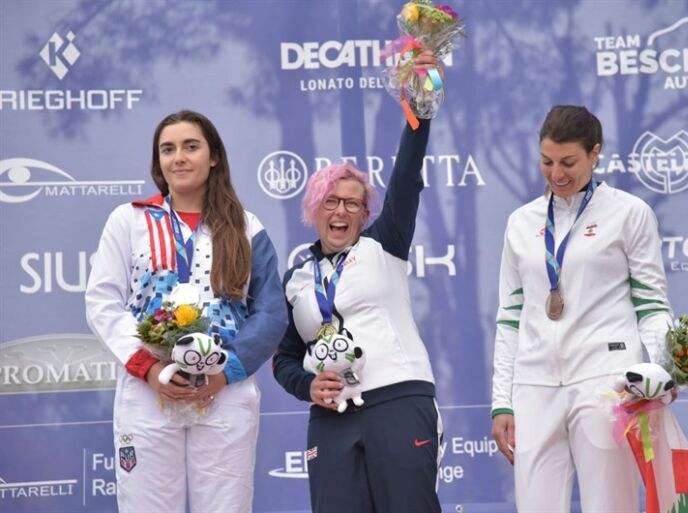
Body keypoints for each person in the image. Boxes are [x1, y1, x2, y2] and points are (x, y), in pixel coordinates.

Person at [85, 110, 287, 513]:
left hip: (225, 390)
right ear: (157, 161)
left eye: (190, 147)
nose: (178, 157)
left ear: (213, 156)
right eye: (168, 149)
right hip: (149, 388)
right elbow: (102, 301)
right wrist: (149, 368)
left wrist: (225, 371)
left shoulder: (246, 227)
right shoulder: (130, 220)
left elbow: (271, 312)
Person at [272, 53, 444, 513]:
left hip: (398, 399)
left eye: (353, 204)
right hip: (331, 417)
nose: (342, 212)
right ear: (313, 210)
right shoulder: (296, 278)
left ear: (366, 215)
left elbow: (406, 178)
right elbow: (284, 359)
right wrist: (307, 387)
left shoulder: (382, 245)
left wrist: (420, 109)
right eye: (331, 202)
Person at [490, 105, 674, 513]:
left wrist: (663, 374)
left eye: (569, 162)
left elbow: (651, 303)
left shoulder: (629, 213)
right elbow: (509, 316)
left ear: (595, 154)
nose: (557, 174)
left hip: (606, 383)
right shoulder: (521, 223)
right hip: (534, 385)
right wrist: (502, 400)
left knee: (612, 506)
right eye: (547, 161)